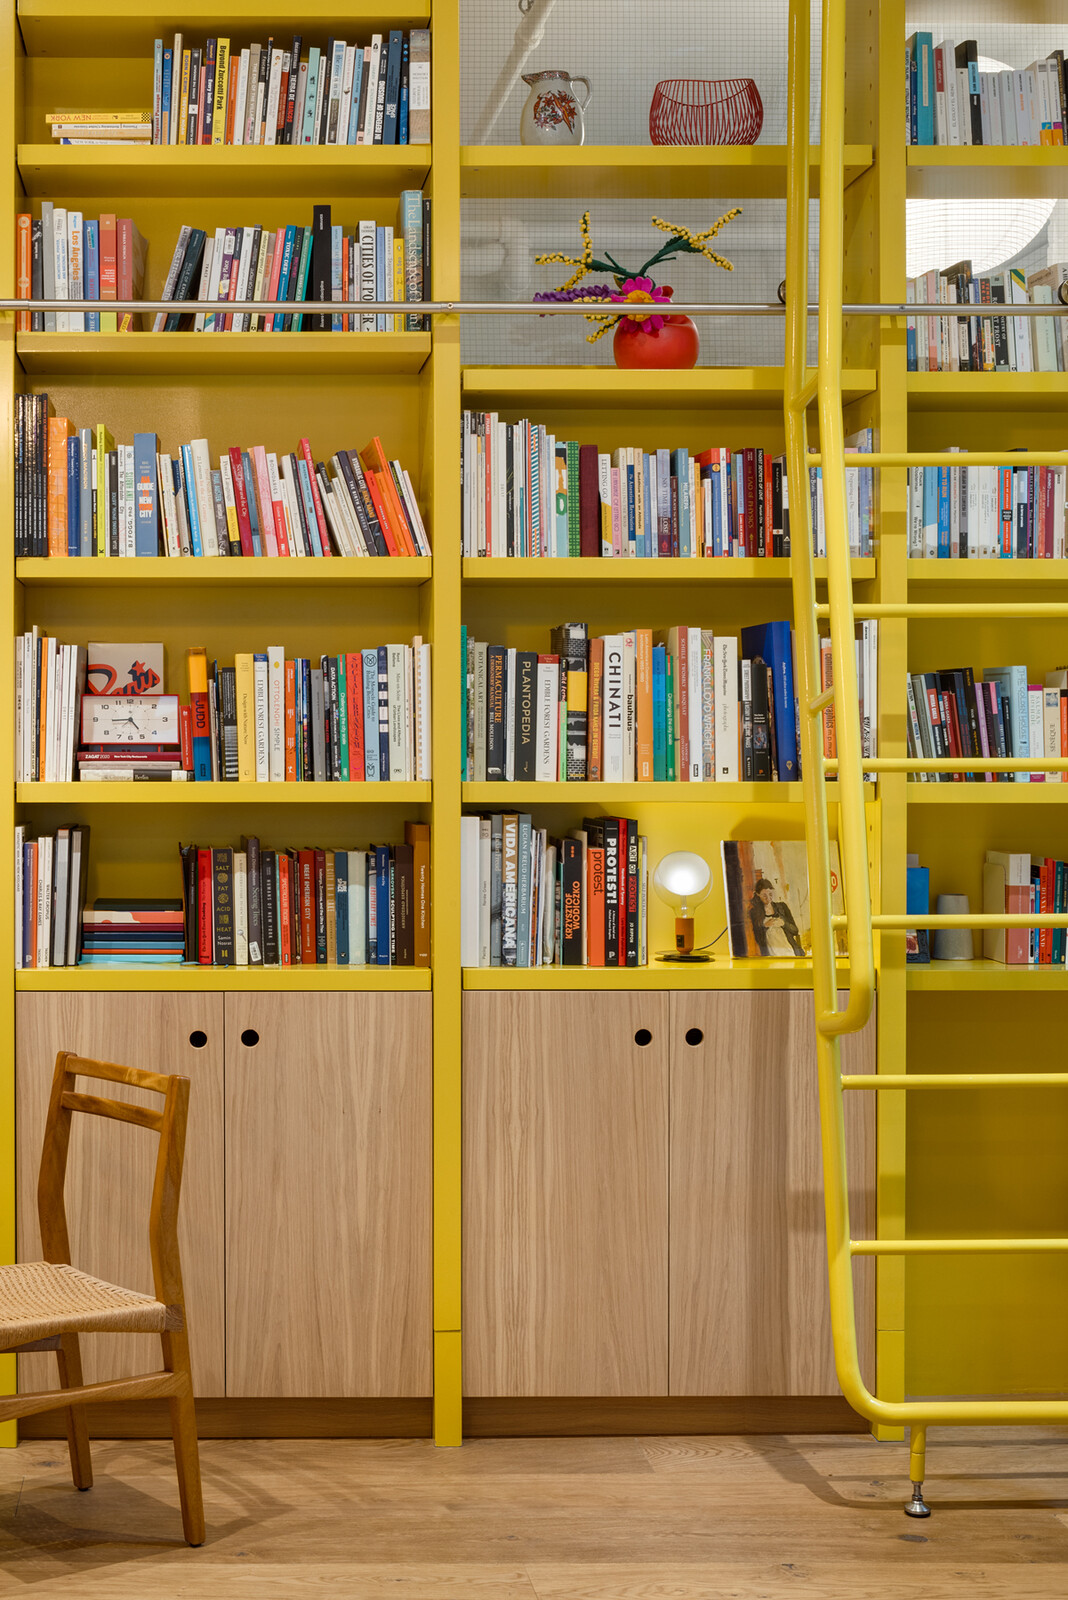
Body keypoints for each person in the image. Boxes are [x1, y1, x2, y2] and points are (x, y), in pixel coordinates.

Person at [748, 876, 803, 957]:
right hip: (771, 954)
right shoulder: (754, 912)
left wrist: (784, 923)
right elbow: (758, 939)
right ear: (758, 894)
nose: (768, 898)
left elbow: (795, 931)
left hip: (789, 951)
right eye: (764, 895)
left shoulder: (782, 907)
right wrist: (765, 926)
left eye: (770, 894)